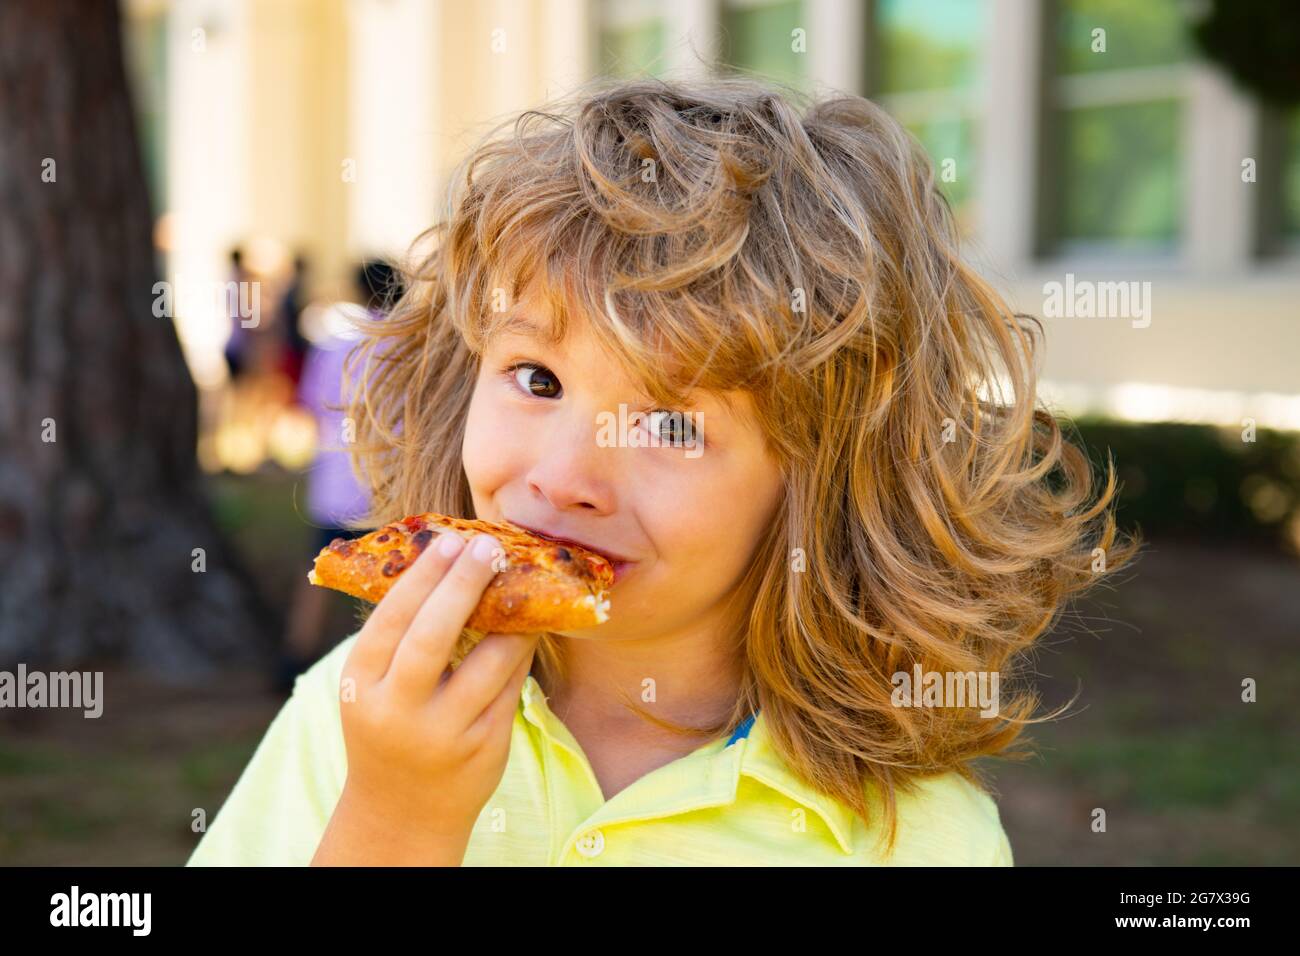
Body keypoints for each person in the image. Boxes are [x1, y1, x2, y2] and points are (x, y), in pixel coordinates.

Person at [188, 77, 1138, 866]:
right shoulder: (357, 711)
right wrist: (395, 822)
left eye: (672, 422)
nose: (563, 478)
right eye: (536, 376)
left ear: (823, 479)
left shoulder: (911, 835)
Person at [273, 261, 401, 692]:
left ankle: (294, 656)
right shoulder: (407, 344)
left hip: (335, 475)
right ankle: (387, 662)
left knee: (319, 567)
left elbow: (310, 402)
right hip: (387, 478)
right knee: (390, 570)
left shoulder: (335, 343)